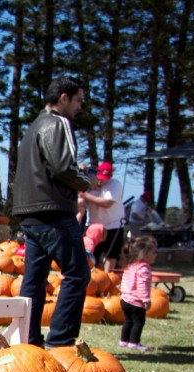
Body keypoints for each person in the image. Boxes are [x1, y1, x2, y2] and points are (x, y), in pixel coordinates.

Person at [13, 75, 91, 349]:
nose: (80, 107)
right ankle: (60, 342)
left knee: (33, 282)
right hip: (53, 210)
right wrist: (85, 180)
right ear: (64, 98)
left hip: (30, 212)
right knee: (79, 273)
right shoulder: (58, 123)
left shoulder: (34, 126)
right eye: (78, 100)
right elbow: (60, 167)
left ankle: (29, 341)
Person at [81, 161, 125, 271]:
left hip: (113, 225)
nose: (101, 180)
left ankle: (107, 278)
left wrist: (86, 195)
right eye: (99, 177)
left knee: (111, 255)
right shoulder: (89, 183)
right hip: (94, 226)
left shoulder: (114, 185)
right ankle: (90, 278)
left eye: (104, 178)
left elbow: (106, 203)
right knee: (91, 253)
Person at [119, 236, 158, 352]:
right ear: (144, 254)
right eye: (153, 252)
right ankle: (134, 342)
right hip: (136, 301)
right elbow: (143, 284)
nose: (156, 255)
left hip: (125, 300)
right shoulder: (144, 267)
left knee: (128, 321)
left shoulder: (130, 266)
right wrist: (145, 299)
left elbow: (124, 281)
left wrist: (124, 294)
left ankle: (123, 341)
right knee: (138, 322)